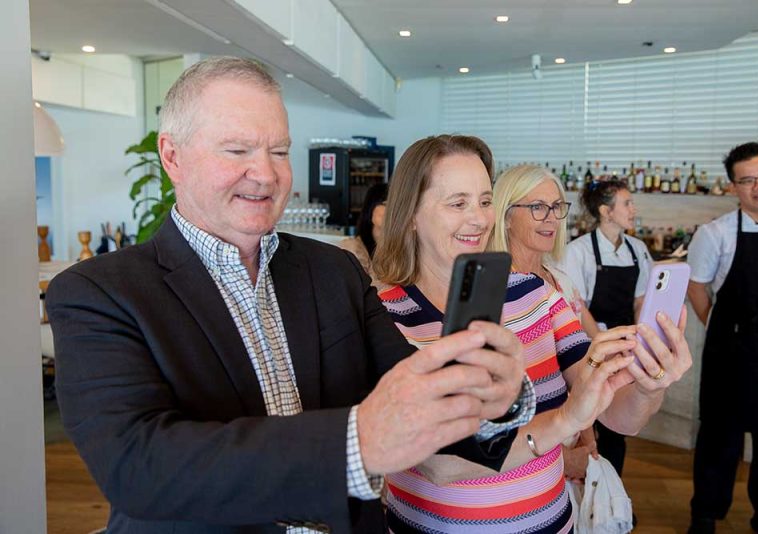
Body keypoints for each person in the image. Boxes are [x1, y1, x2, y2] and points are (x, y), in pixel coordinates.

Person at [45, 57, 531, 534]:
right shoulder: (97, 294)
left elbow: (411, 384)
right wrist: (356, 442)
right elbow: (140, 468)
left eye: (279, 151)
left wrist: (496, 394)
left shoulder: (333, 270)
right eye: (237, 150)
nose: (266, 173)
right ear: (173, 157)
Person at [373, 135, 692, 533]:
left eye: (486, 201)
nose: (479, 218)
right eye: (458, 203)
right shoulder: (380, 314)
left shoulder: (535, 293)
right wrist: (563, 420)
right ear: (411, 214)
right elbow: (438, 462)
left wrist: (649, 383)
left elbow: (621, 418)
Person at [686, 142, 758, 534]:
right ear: (734, 186)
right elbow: (697, 289)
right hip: (730, 354)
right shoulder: (714, 234)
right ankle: (704, 515)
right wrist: (719, 328)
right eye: (747, 180)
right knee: (720, 442)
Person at [489, 163, 601, 481]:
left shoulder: (561, 282)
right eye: (537, 207)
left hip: (570, 430)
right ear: (506, 215)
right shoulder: (496, 291)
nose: (551, 217)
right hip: (523, 455)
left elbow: (576, 369)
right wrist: (563, 458)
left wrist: (587, 434)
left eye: (556, 207)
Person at [560, 178, 653, 479]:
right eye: (627, 203)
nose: (633, 209)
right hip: (591, 349)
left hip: (626, 347)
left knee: (618, 429)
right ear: (605, 211)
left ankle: (613, 500)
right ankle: (589, 497)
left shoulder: (638, 249)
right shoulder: (579, 251)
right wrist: (603, 343)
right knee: (589, 424)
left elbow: (641, 300)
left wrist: (639, 340)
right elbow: (578, 307)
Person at [338, 182, 388, 287]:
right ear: (371, 208)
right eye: (386, 203)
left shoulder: (398, 251)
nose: (393, 211)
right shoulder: (352, 249)